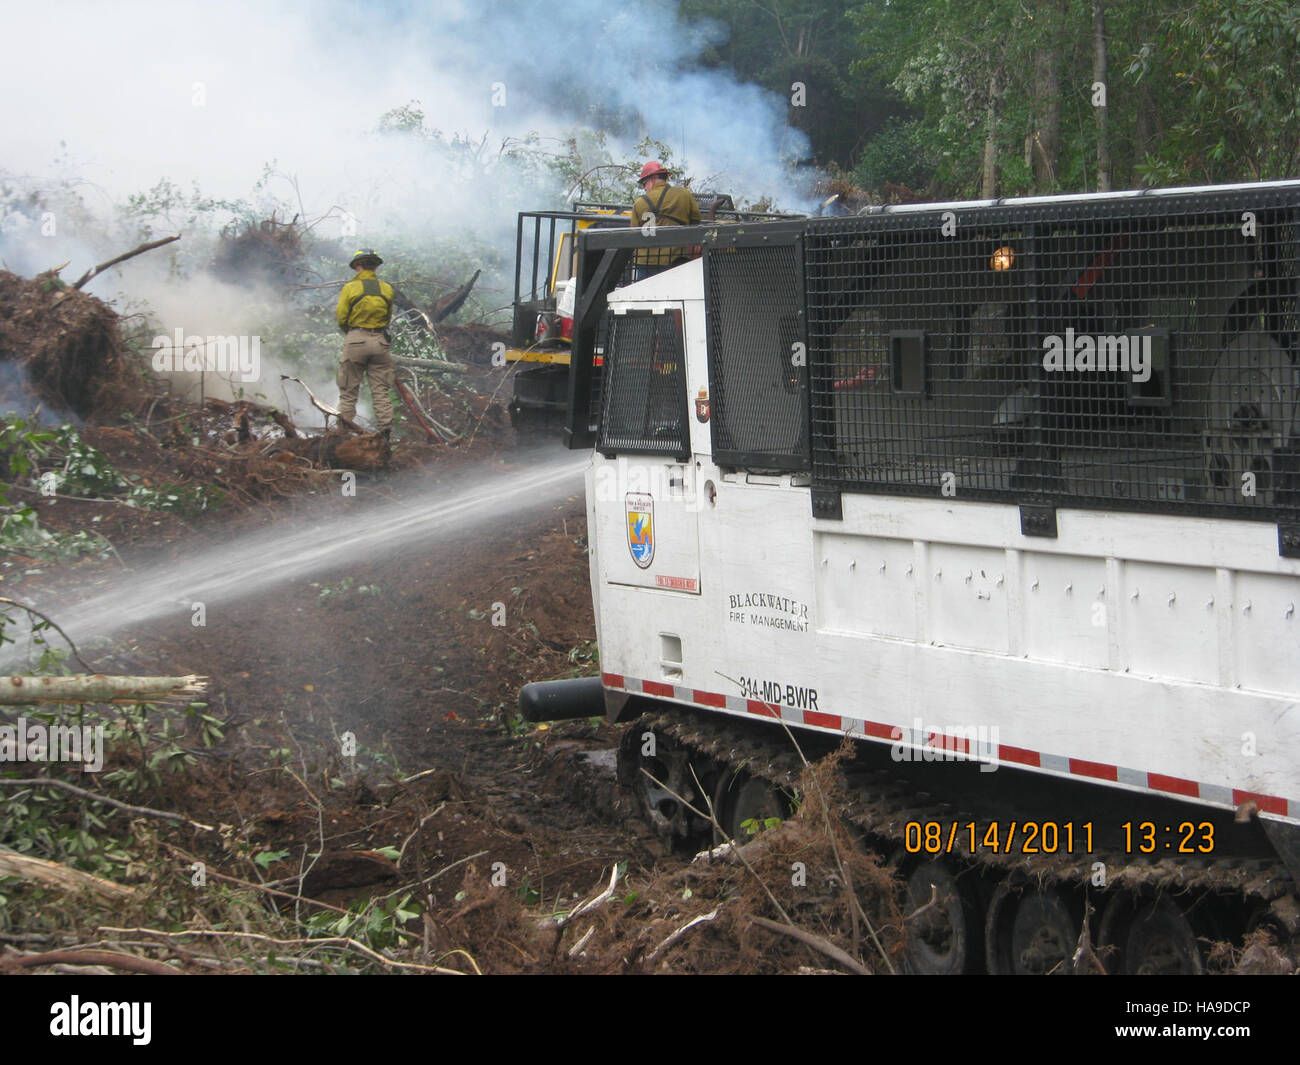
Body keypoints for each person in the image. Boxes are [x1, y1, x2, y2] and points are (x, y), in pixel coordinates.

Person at [335, 248, 396, 436]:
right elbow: (387, 317)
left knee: (348, 390)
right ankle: (385, 435)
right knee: (381, 392)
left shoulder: (350, 288)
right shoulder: (386, 288)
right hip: (380, 342)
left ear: (357, 266)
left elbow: (341, 317)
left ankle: (343, 434)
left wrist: (354, 335)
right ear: (376, 266)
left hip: (356, 340)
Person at [629, 161, 700, 280]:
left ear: (652, 179)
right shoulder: (684, 195)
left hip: (646, 264)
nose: (645, 188)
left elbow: (633, 235)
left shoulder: (639, 203)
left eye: (644, 183)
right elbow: (696, 220)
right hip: (676, 262)